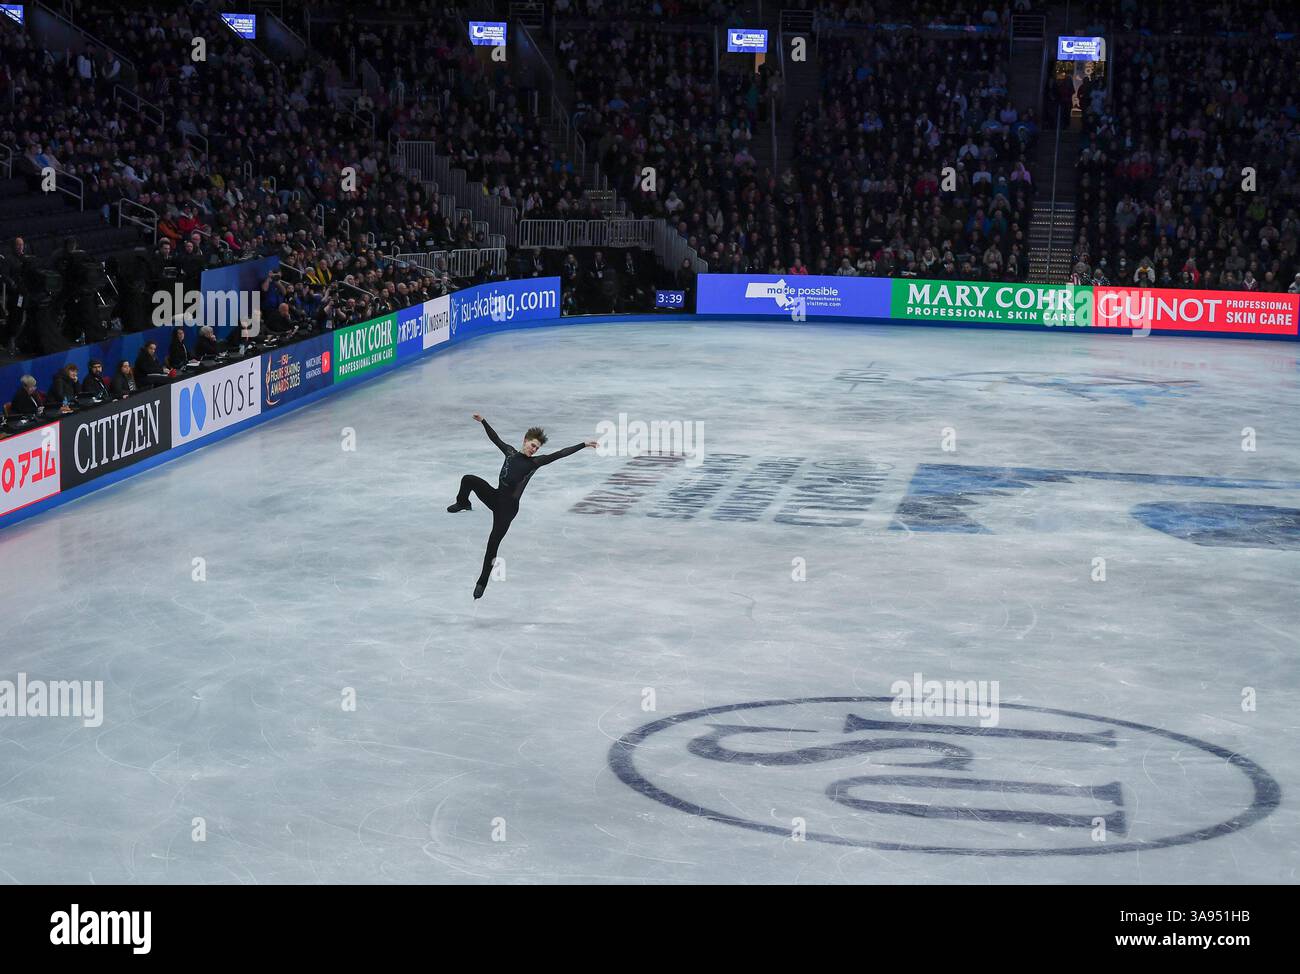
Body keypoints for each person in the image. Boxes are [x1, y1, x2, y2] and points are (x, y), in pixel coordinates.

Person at [447, 414, 596, 599]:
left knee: (493, 544)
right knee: (468, 479)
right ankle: (463, 502)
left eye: (537, 447)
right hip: (495, 497)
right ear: (525, 441)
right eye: (532, 445)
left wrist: (583, 444)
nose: (534, 449)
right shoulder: (509, 452)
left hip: (507, 510)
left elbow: (560, 454)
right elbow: (495, 438)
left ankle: (482, 582)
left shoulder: (535, 462)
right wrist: (483, 421)